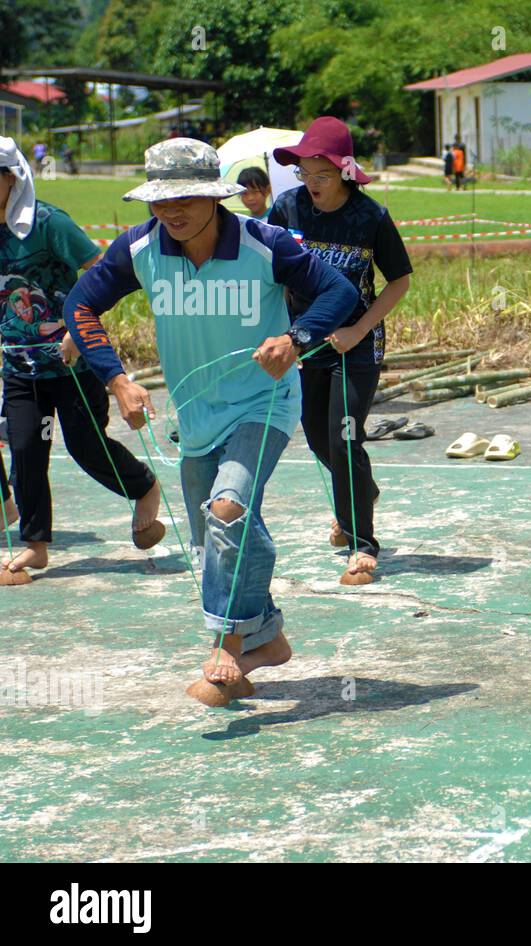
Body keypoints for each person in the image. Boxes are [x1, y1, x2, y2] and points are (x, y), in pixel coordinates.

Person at [63, 138, 358, 701]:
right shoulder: (139, 248)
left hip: (263, 404)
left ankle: (225, 641)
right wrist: (117, 378)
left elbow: (338, 291)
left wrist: (295, 339)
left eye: (188, 199)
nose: (173, 212)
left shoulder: (266, 244)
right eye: (161, 201)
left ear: (215, 197)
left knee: (229, 510)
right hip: (195, 414)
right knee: (213, 536)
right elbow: (80, 305)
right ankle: (267, 639)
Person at [0, 137, 163, 575]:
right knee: (26, 448)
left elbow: (99, 272)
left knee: (85, 445)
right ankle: (35, 544)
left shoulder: (50, 223)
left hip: (72, 362)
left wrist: (77, 328)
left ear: (11, 178)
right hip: (19, 365)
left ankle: (143, 486)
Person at [269, 116, 412, 581]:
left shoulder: (370, 217)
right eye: (304, 174)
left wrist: (360, 329)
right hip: (307, 343)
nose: (311, 184)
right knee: (315, 435)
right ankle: (362, 490)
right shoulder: (287, 208)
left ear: (345, 172)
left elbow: (400, 281)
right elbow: (264, 268)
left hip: (356, 342)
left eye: (322, 175)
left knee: (345, 435)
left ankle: (362, 542)